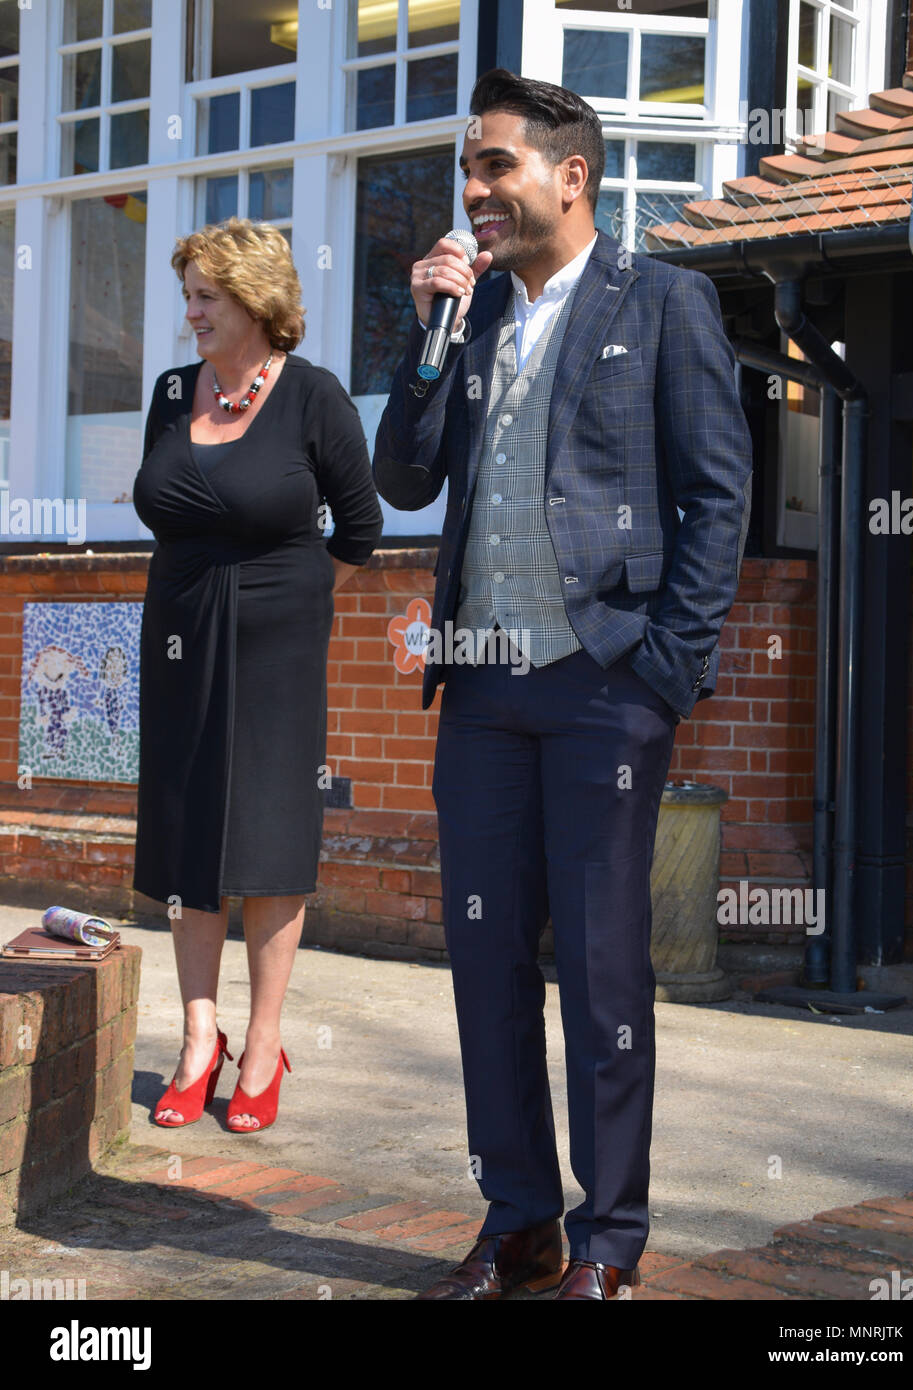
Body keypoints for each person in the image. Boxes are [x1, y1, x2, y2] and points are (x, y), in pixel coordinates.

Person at [373, 70, 752, 1300]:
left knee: (600, 970)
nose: (474, 192)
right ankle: (518, 1219)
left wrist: (665, 672)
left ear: (569, 176)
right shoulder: (468, 315)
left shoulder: (666, 303)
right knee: (484, 966)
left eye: (495, 167)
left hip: (603, 684)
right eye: (468, 171)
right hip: (482, 688)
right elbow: (403, 481)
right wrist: (423, 328)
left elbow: (715, 494)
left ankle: (609, 1241)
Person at [133, 217, 382, 1133]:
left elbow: (357, 534)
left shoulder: (315, 398)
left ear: (256, 301)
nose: (191, 313)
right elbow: (161, 501)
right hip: (176, 637)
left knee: (271, 840)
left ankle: (264, 1041)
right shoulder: (169, 392)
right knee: (185, 833)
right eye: (188, 295)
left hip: (276, 649)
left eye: (206, 297)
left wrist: (290, 603)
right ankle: (198, 1039)